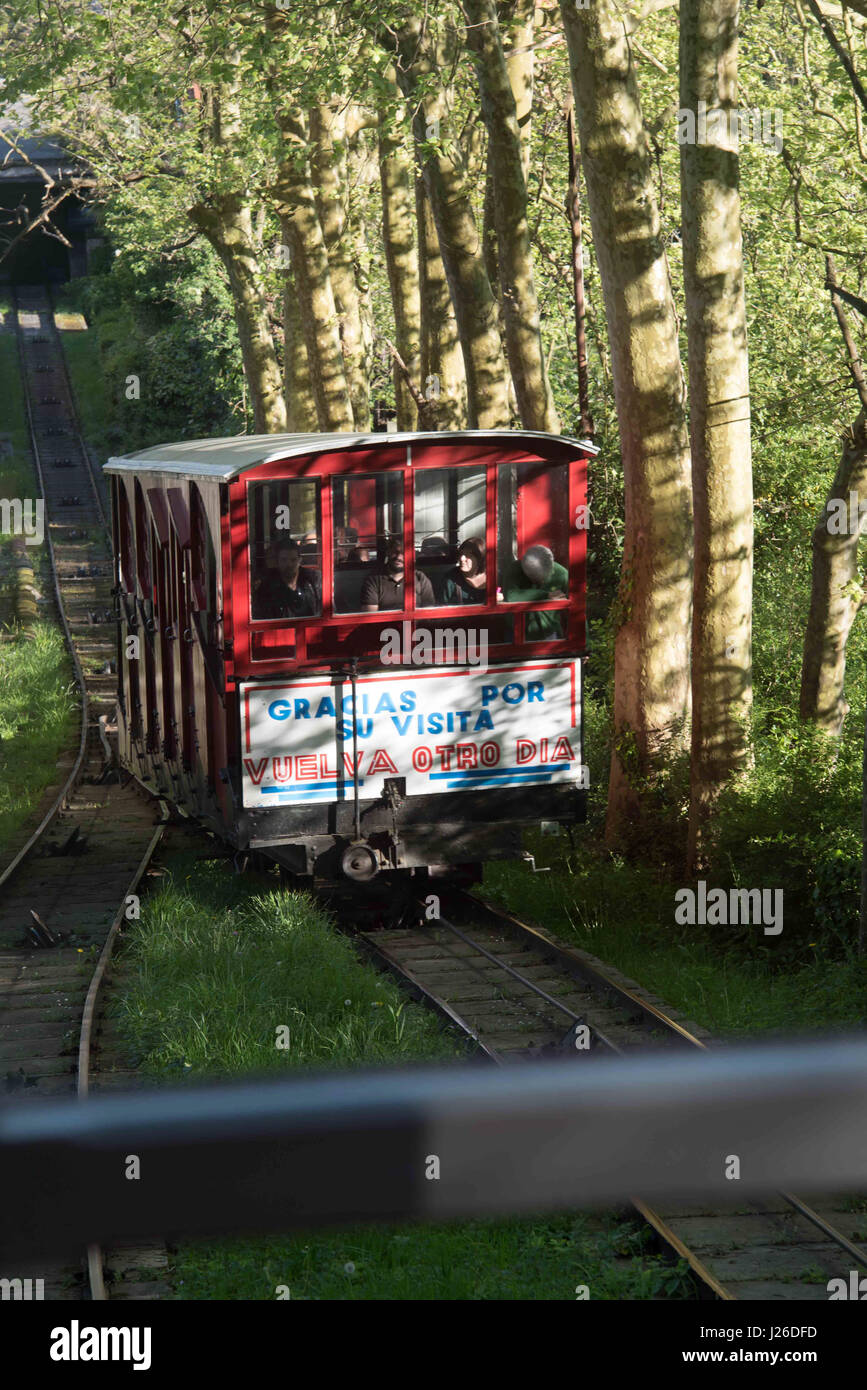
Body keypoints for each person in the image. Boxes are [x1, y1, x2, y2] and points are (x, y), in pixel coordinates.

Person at [502, 543, 567, 639]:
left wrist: (584, 647)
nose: (538, 583)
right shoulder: (514, 569)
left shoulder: (562, 575)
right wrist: (546, 595)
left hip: (548, 633)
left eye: (542, 579)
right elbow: (511, 596)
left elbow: (578, 608)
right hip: (516, 633)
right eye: (533, 579)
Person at [360, 537, 435, 611]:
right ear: (388, 552)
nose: (399, 557)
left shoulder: (420, 578)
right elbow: (371, 616)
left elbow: (428, 612)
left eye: (403, 553)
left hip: (414, 623)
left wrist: (407, 623)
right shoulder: (373, 580)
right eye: (395, 552)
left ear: (412, 556)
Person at [256, 538, 321, 618]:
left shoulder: (313, 579)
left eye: (293, 560)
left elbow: (324, 609)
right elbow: (262, 615)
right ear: (277, 561)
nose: (289, 564)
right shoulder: (267, 585)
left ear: (299, 560)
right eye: (284, 560)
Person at [442, 537, 486, 605]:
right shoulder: (451, 578)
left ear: (480, 558)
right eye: (461, 554)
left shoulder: (493, 576)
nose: (462, 558)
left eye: (468, 554)